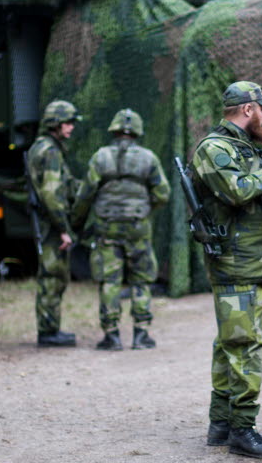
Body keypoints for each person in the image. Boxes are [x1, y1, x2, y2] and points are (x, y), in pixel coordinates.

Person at [190, 81, 262, 459]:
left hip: (246, 260)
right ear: (247, 109)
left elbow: (243, 186)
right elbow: (235, 190)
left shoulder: (237, 147)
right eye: (261, 107)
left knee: (229, 344)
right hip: (236, 262)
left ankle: (221, 423)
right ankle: (242, 430)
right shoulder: (214, 148)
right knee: (247, 346)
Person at [73, 109, 171, 351]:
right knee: (141, 279)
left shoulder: (100, 157)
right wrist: (145, 211)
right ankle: (141, 335)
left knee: (110, 280)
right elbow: (163, 194)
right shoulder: (148, 158)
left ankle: (112, 336)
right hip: (138, 227)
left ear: (114, 131)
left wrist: (78, 221)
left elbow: (85, 195)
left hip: (107, 228)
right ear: (136, 132)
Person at [27, 99, 83, 347]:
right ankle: (48, 332)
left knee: (53, 275)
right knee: (53, 276)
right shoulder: (50, 151)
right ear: (55, 124)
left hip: (49, 223)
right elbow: (51, 193)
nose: (71, 127)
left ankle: (50, 329)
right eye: (67, 122)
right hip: (52, 225)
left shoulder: (44, 148)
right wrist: (63, 229)